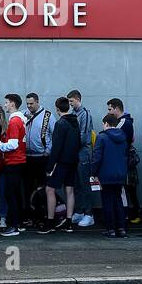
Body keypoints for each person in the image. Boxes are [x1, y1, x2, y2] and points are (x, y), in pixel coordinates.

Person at [40, 97, 82, 232]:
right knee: (69, 190)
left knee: (49, 189)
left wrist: (49, 167)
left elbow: (56, 148)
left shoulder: (60, 124)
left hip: (61, 162)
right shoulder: (75, 122)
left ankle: (50, 222)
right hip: (73, 162)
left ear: (57, 109)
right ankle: (69, 222)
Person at [93, 112, 130, 237]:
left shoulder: (101, 137)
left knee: (107, 201)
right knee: (118, 200)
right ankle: (121, 228)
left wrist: (93, 172)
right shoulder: (123, 137)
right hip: (120, 175)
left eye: (103, 124)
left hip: (106, 174)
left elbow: (97, 157)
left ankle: (110, 229)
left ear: (107, 124)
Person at [0, 94, 28, 237]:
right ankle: (18, 223)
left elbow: (13, 144)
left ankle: (14, 226)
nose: (5, 105)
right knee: (15, 193)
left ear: (13, 104)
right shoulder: (20, 120)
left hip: (13, 161)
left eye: (7, 102)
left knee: (10, 194)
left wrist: (0, 145)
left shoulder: (14, 121)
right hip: (19, 161)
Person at [107, 97, 140, 224]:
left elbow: (114, 137)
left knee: (126, 188)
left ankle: (128, 214)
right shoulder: (128, 121)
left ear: (116, 108)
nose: (109, 112)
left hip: (124, 159)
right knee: (129, 188)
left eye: (110, 109)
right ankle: (131, 213)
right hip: (126, 158)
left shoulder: (122, 123)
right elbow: (132, 139)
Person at [68, 90, 96, 227]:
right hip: (75, 153)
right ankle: (79, 211)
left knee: (85, 185)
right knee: (77, 184)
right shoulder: (73, 114)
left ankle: (89, 214)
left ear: (78, 99)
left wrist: (71, 146)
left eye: (71, 101)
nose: (70, 104)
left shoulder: (84, 114)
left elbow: (84, 137)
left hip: (83, 153)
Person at [22, 92, 55, 196]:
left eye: (31, 103)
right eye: (27, 103)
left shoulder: (47, 115)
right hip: (26, 158)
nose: (29, 106)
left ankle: (43, 210)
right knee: (27, 186)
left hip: (42, 157)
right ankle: (28, 210)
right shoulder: (22, 114)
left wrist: (48, 151)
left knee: (43, 186)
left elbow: (55, 135)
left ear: (37, 102)